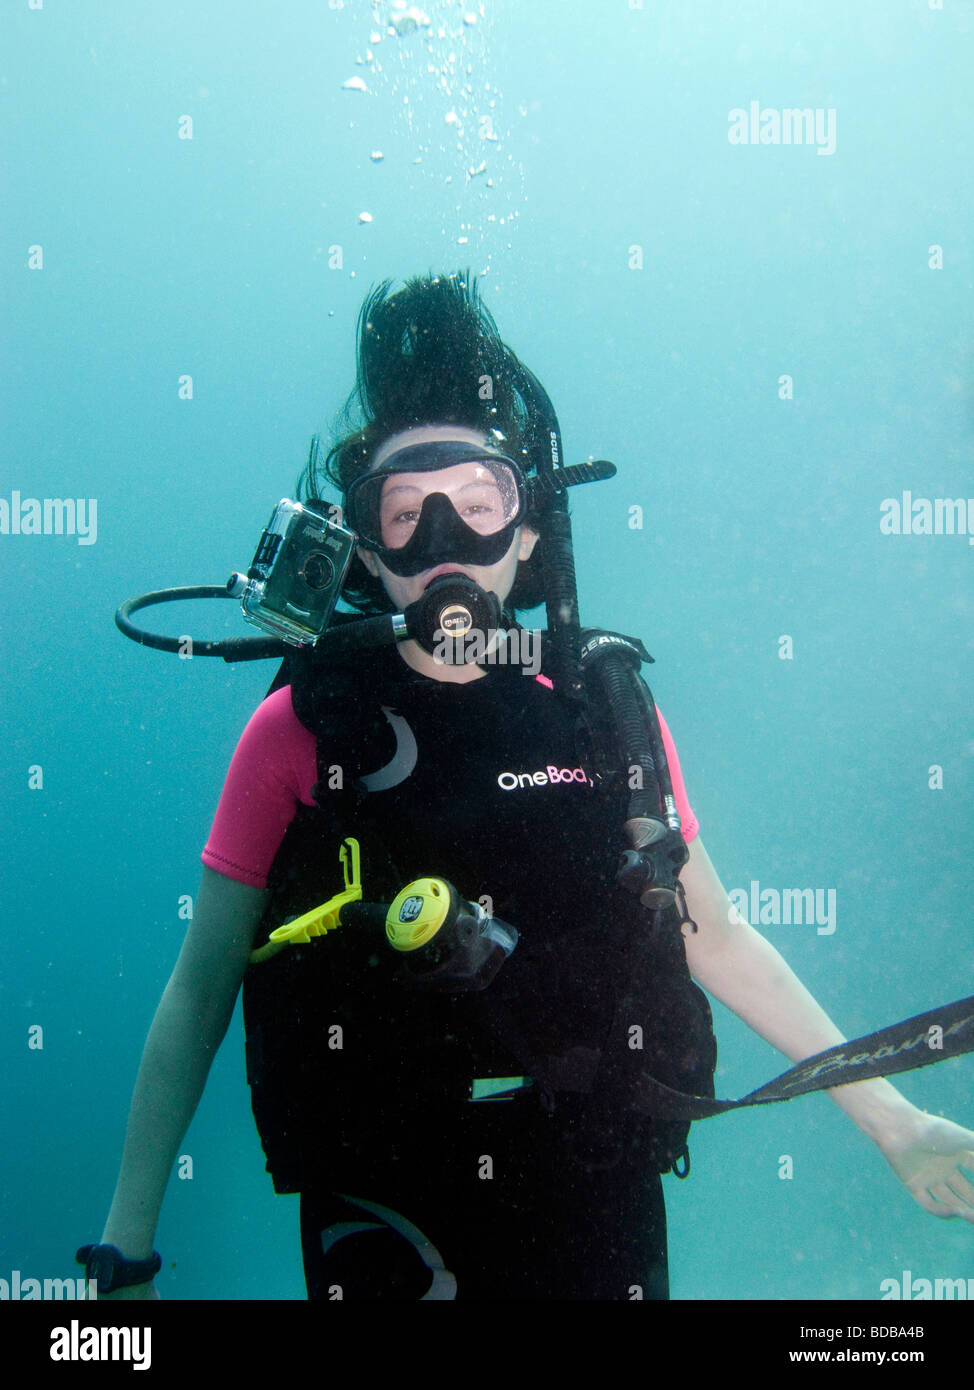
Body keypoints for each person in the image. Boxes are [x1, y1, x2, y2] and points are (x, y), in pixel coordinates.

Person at [89, 273, 974, 1301]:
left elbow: (716, 937)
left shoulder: (603, 709)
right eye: (406, 517)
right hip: (382, 1188)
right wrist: (124, 1249)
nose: (445, 549)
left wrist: (894, 1124)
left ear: (527, 529)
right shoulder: (296, 731)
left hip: (592, 1171)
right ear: (364, 549)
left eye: (477, 508)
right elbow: (200, 990)